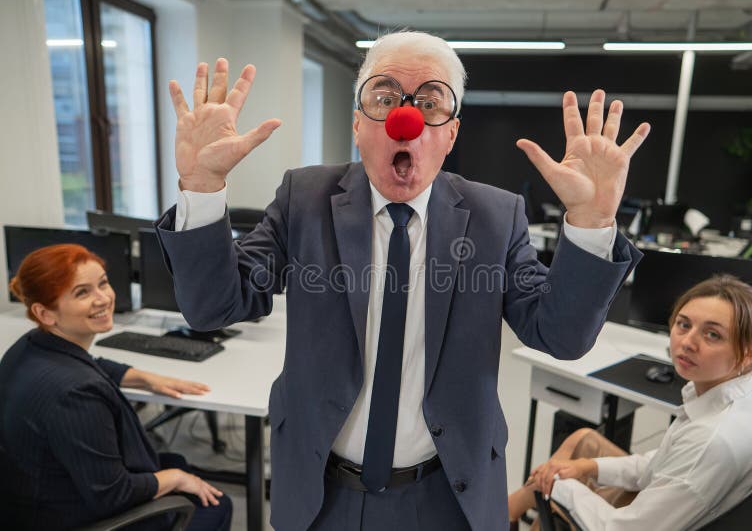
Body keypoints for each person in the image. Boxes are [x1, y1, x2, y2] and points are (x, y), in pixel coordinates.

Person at [157, 31, 650, 530]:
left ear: (451, 133)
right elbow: (213, 307)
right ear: (358, 123)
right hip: (319, 494)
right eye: (385, 98)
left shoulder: (496, 216)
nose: (404, 120)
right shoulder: (303, 199)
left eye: (430, 102)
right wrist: (201, 188)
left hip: (446, 496)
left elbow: (560, 336)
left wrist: (590, 223)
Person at [508, 274, 752, 531]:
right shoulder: (746, 389)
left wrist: (559, 487)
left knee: (551, 483)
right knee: (581, 442)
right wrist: (587, 468)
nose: (688, 342)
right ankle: (506, 514)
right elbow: (661, 465)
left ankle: (504, 515)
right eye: (684, 324)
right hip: (673, 509)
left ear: (749, 352)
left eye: (712, 334)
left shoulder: (712, 440)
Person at [0, 244, 232, 531]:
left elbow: (90, 362)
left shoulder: (29, 348)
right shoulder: (75, 394)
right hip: (75, 517)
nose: (103, 299)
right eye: (82, 292)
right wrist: (176, 479)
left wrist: (146, 378)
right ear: (45, 313)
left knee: (177, 461)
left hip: (33, 500)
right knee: (217, 504)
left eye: (103, 283)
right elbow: (113, 494)